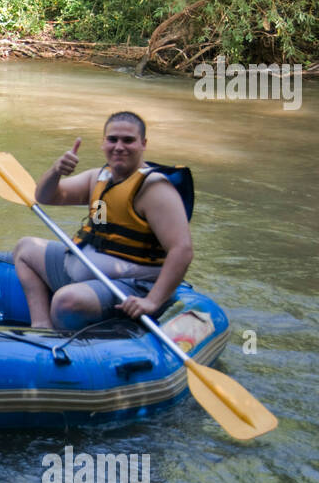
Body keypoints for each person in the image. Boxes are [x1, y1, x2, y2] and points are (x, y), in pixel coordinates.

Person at [12, 111, 194, 330]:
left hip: (130, 286)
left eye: (128, 140)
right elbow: (45, 196)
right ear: (103, 143)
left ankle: (70, 350)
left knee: (66, 301)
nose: (119, 146)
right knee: (25, 248)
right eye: (112, 139)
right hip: (84, 269)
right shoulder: (98, 178)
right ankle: (41, 327)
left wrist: (152, 301)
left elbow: (182, 250)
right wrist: (56, 171)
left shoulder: (154, 189)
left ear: (143, 144)